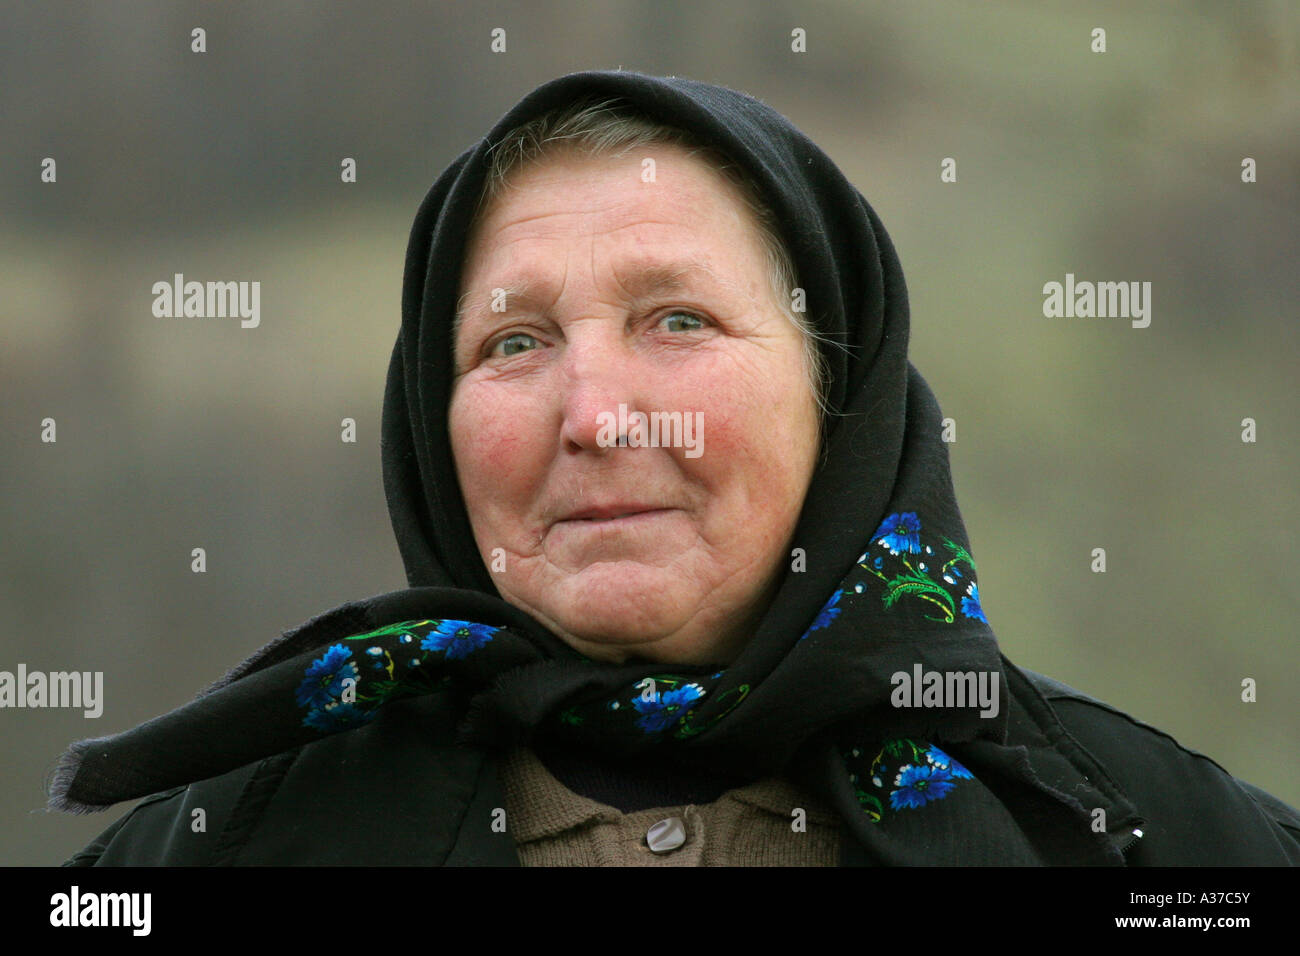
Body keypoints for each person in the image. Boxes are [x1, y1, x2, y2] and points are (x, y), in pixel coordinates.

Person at [49, 69, 1300, 866]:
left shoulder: (1156, 845)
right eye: (515, 342)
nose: (594, 416)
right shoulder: (204, 858)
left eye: (679, 321)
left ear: (838, 393)